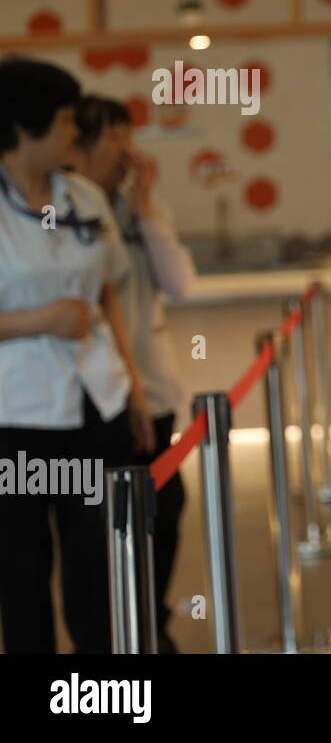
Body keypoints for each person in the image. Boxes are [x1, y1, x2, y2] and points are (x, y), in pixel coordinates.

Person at [0, 56, 154, 654]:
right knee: (22, 571)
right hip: (19, 418)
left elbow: (108, 288)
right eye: (65, 122)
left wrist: (134, 388)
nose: (74, 134)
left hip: (98, 404)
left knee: (99, 569)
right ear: (24, 129)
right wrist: (39, 321)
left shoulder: (83, 195)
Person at [70, 94, 195, 654]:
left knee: (164, 508)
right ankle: (113, 640)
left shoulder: (135, 206)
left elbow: (179, 281)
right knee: (100, 529)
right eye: (115, 136)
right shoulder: (68, 207)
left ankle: (149, 622)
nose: (128, 149)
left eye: (127, 134)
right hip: (99, 395)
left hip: (154, 386)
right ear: (82, 142)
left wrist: (145, 208)